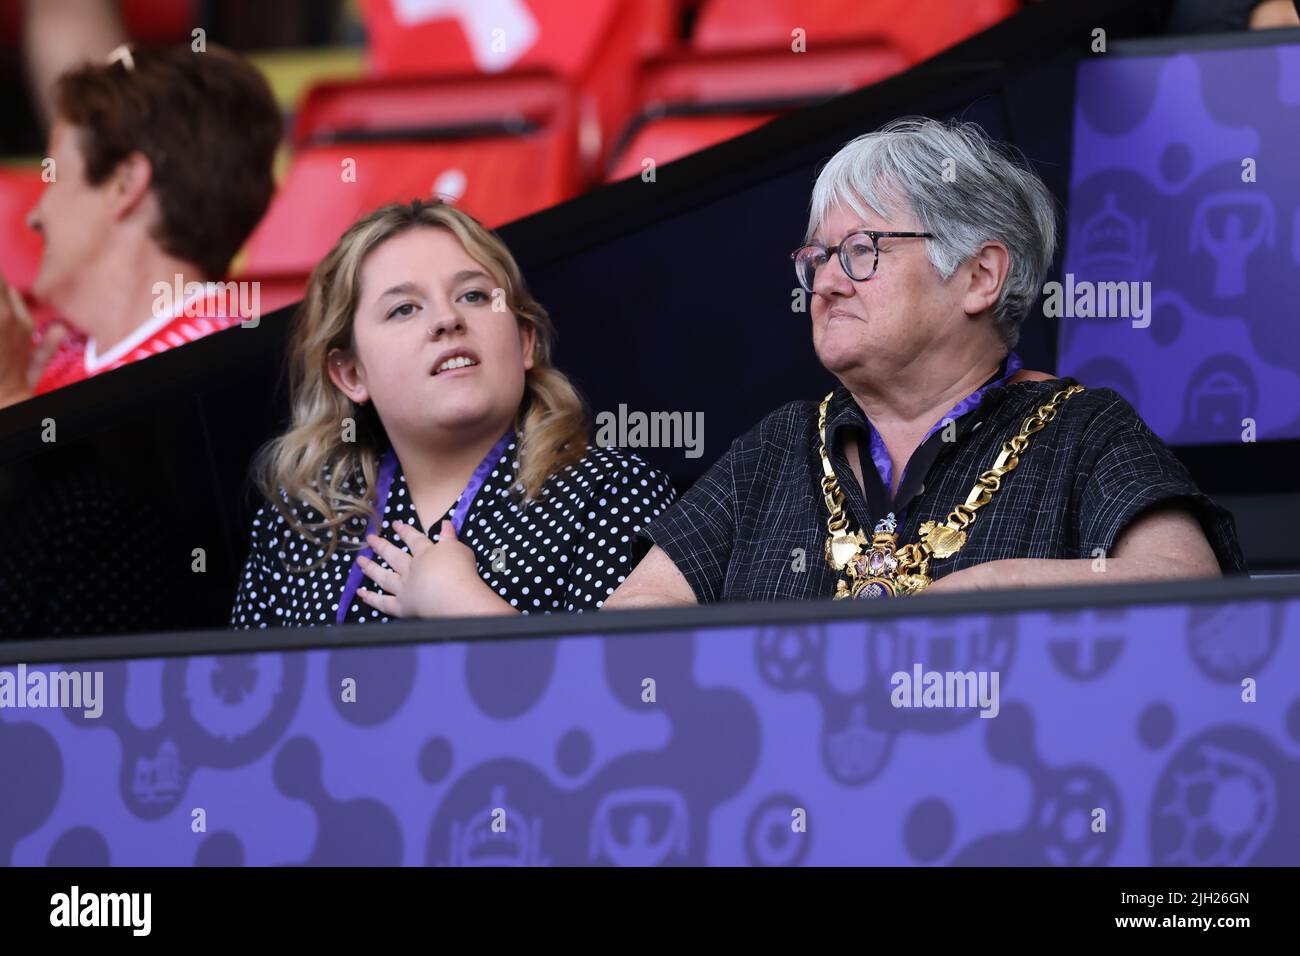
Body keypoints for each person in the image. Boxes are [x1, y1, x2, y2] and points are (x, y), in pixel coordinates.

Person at [605, 117, 1244, 608]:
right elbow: (637, 614)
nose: (825, 284)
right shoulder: (776, 448)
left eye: (860, 250)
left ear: (980, 275)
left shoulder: (1084, 431)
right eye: (818, 259)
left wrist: (996, 589)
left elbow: (1185, 585)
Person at [231, 199, 677, 626]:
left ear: (523, 341)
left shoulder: (611, 489)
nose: (447, 319)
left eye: (474, 296)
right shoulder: (299, 521)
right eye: (404, 308)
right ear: (351, 373)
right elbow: (246, 698)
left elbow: (628, 692)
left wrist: (466, 606)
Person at [0, 42, 281, 409]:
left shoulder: (213, 365)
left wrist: (11, 399)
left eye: (54, 175)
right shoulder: (39, 352)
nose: (34, 215)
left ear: (126, 184)